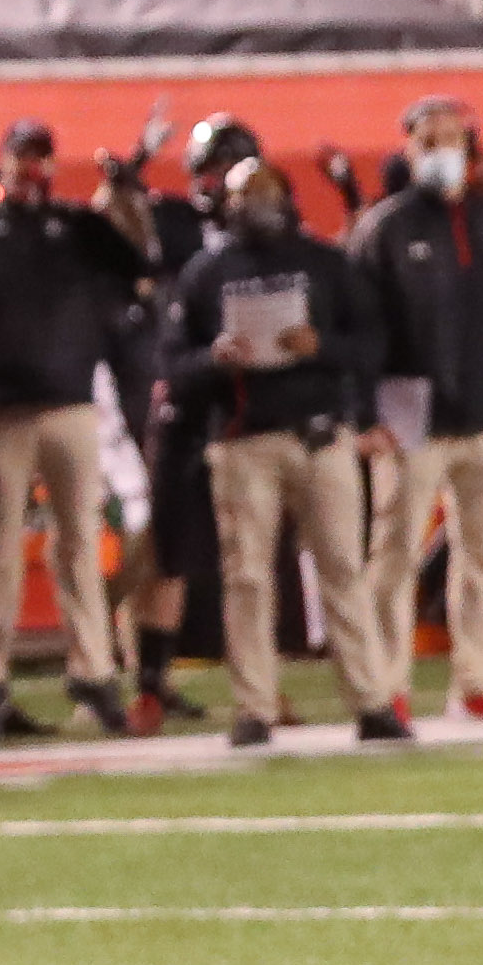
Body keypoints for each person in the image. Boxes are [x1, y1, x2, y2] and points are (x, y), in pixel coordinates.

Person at [161, 159, 403, 748]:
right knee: (246, 578)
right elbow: (174, 364)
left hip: (320, 434)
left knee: (343, 568)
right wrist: (215, 357)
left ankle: (371, 700)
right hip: (245, 439)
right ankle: (255, 706)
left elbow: (373, 344)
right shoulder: (207, 272)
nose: (256, 206)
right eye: (246, 196)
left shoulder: (326, 263)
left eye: (265, 194)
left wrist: (321, 347)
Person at [346, 96, 483, 724]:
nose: (441, 151)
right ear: (407, 147)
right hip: (411, 417)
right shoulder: (385, 227)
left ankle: (477, 681)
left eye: (451, 138)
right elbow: (356, 327)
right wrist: (362, 412)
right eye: (428, 140)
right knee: (395, 555)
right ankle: (388, 686)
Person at [0, 119, 151, 738]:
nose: (33, 167)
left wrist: (126, 197)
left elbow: (139, 262)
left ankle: (94, 671)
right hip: (2, 409)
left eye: (42, 156)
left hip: (69, 402)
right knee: (0, 549)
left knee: (81, 542)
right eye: (23, 155)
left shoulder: (77, 227)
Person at [128, 113, 263, 735]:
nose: (216, 181)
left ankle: (256, 683)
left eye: (226, 169)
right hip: (182, 389)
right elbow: (127, 231)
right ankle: (149, 679)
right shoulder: (174, 220)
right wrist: (127, 177)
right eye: (209, 170)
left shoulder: (264, 231)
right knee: (169, 544)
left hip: (243, 399)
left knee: (250, 551)